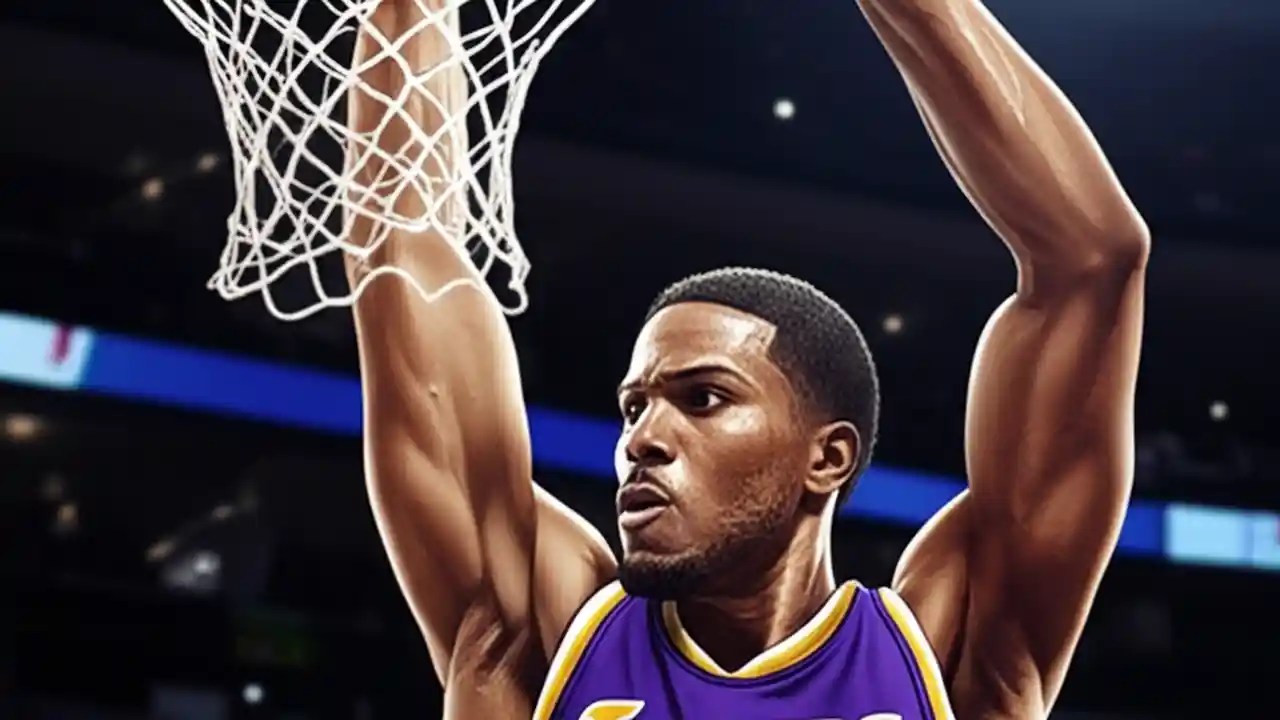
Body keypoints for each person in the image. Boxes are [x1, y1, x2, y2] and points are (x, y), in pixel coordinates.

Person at [342, 0, 1150, 718]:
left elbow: (1091, 262)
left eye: (702, 399)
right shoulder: (540, 636)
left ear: (828, 457)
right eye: (635, 405)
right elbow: (399, 248)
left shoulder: (948, 656)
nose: (641, 440)